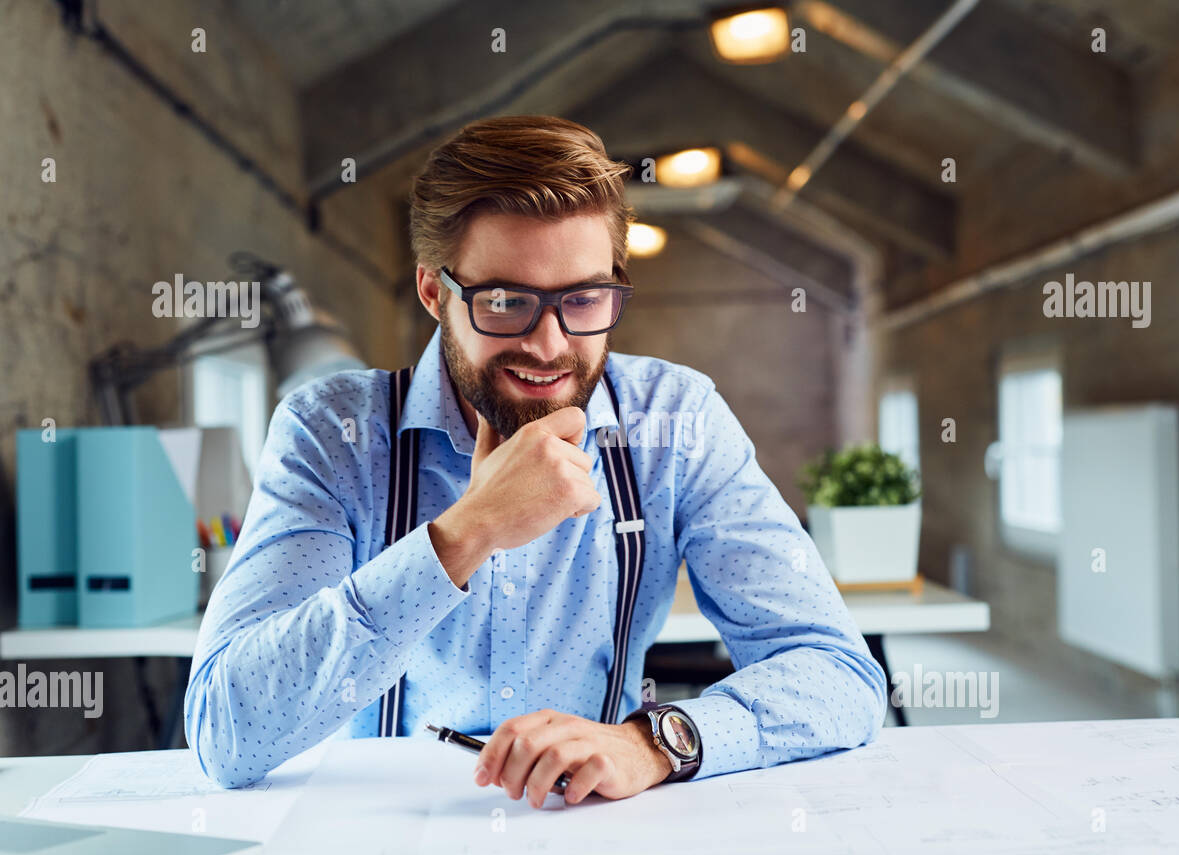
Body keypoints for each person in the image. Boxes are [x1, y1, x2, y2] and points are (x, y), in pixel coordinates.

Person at [185, 114, 887, 808]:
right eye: (506, 301)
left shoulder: (675, 424)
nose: (549, 345)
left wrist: (653, 743)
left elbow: (839, 674)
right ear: (435, 291)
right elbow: (225, 732)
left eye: (583, 299)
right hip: (380, 835)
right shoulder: (333, 435)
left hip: (588, 830)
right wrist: (465, 534)